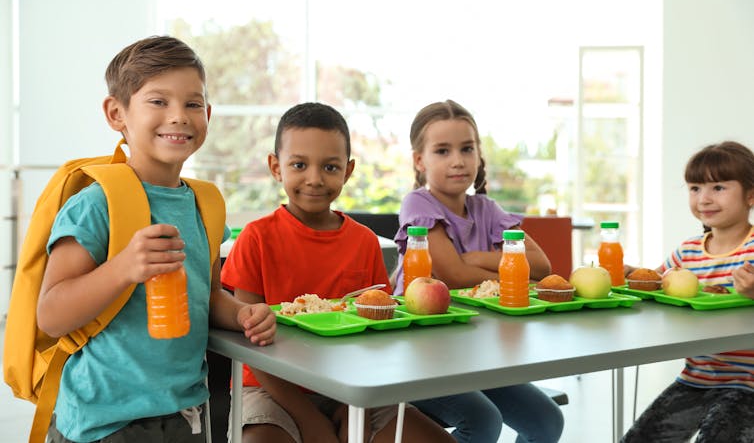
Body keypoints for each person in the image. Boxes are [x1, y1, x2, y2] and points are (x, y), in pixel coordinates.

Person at [36, 36, 276, 443]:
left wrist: (239, 314)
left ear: (208, 114)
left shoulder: (206, 203)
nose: (179, 116)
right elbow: (52, 315)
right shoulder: (95, 205)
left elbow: (207, 293)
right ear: (117, 113)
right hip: (103, 422)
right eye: (158, 101)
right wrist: (124, 268)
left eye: (193, 103)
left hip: (183, 414)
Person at [221, 102, 455, 443]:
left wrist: (356, 406)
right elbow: (251, 346)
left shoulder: (363, 242)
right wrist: (308, 419)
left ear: (347, 170)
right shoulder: (257, 239)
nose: (314, 179)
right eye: (299, 165)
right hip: (272, 389)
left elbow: (375, 337)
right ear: (276, 167)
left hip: (352, 386)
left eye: (330, 167)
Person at [395, 99, 563, 443]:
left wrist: (478, 258)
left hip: (477, 353)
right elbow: (453, 275)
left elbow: (542, 266)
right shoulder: (418, 204)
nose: (457, 160)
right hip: (421, 353)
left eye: (466, 149)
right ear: (419, 161)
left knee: (547, 422)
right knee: (483, 422)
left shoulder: (487, 209)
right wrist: (508, 273)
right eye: (442, 151)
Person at [621, 140, 754, 443]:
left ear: (751, 195)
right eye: (695, 188)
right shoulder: (688, 252)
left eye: (718, 187)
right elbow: (656, 285)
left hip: (749, 383)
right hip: (698, 377)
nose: (704, 199)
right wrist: (631, 276)